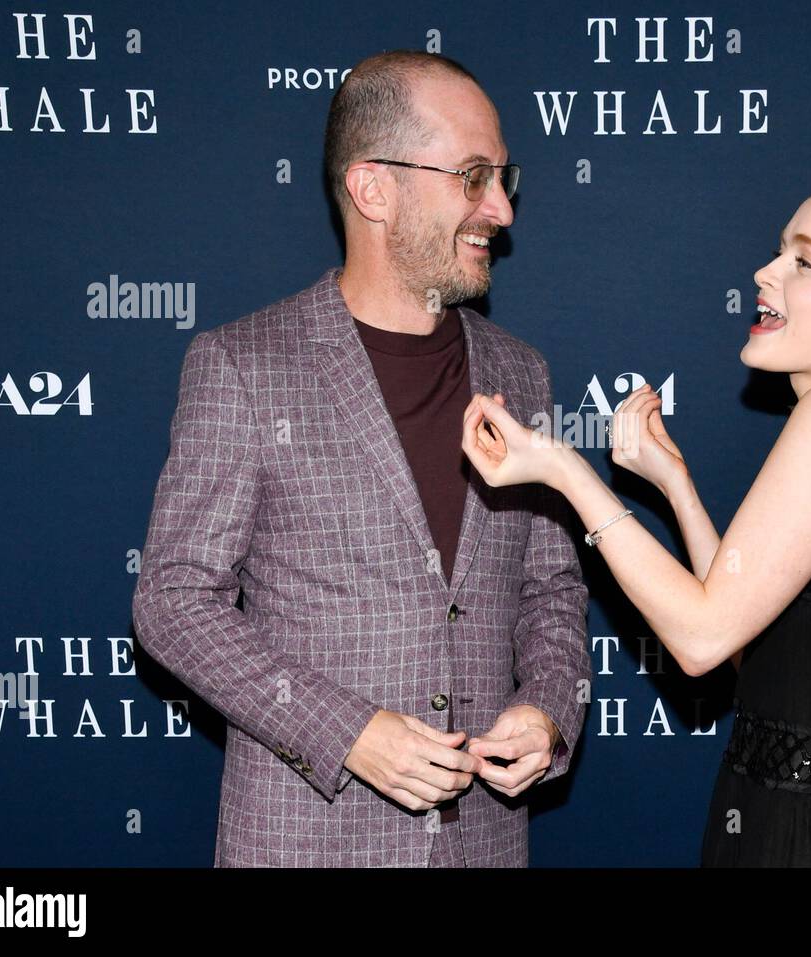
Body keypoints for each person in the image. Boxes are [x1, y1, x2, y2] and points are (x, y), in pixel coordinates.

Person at [461, 174, 811, 866]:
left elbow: (698, 639)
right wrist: (679, 489)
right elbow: (744, 648)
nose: (765, 271)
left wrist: (565, 471)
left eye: (804, 261)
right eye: (780, 250)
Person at [131, 50, 591, 868]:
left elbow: (549, 589)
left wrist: (547, 708)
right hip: (306, 843)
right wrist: (348, 733)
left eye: (503, 177)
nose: (501, 209)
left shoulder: (521, 371)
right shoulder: (244, 363)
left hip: (482, 846)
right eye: (473, 175)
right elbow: (172, 600)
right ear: (374, 187)